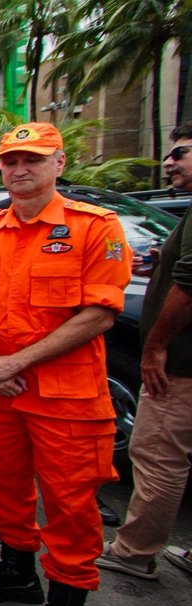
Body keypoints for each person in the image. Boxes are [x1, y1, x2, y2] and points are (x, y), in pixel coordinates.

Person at [0, 123, 131, 606]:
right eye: (11, 161)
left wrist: (17, 363)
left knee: (71, 504)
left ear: (59, 163)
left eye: (32, 159)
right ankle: (16, 572)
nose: (20, 170)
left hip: (67, 395)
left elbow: (100, 314)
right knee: (3, 488)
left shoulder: (94, 227)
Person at [97, 122, 192, 580]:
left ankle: (134, 552)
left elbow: (189, 282)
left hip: (181, 365)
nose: (170, 162)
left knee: (158, 456)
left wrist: (154, 348)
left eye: (182, 153)